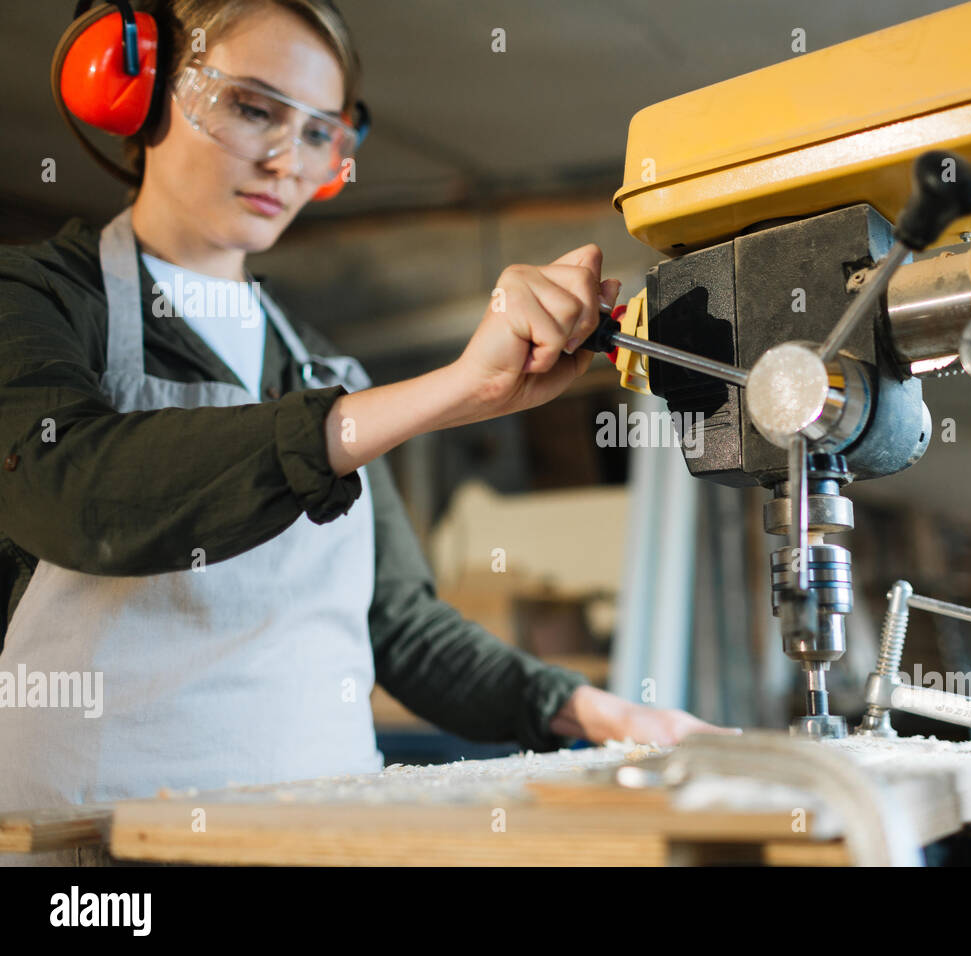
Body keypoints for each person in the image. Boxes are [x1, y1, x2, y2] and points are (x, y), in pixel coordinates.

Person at [0, 0, 732, 836]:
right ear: (134, 88)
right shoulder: (41, 300)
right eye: (251, 107)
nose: (288, 160)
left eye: (320, 132)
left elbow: (401, 626)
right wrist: (457, 390)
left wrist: (596, 713)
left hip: (316, 833)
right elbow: (77, 492)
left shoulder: (321, 370)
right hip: (91, 845)